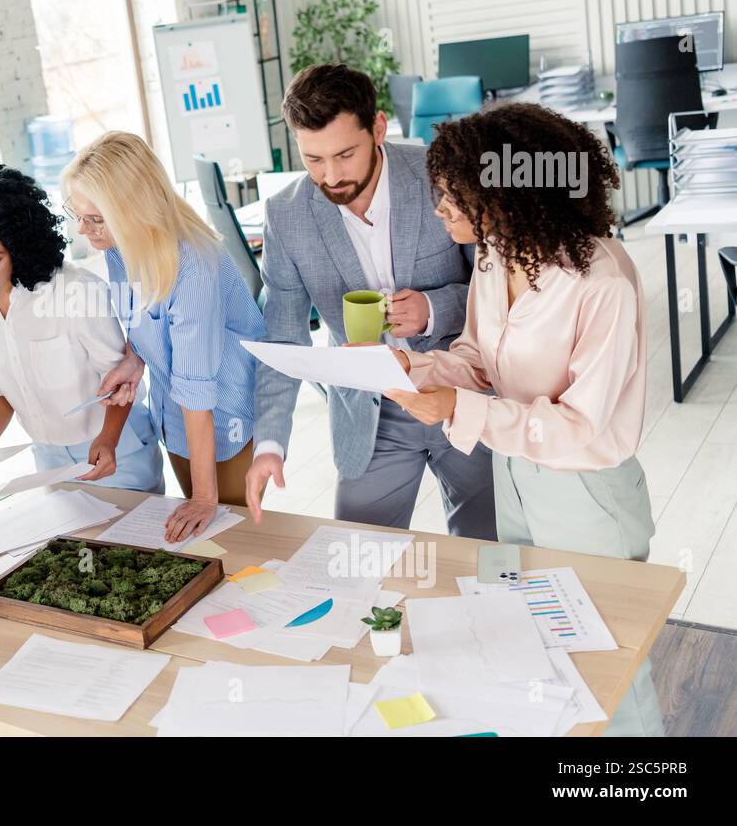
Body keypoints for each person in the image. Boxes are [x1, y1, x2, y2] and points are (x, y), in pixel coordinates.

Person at [384, 102, 663, 736]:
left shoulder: (602, 281)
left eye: (453, 198)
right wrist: (415, 370)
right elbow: (480, 359)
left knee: (612, 667)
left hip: (586, 493)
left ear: (506, 192)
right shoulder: (495, 256)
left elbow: (577, 428)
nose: (439, 210)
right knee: (536, 644)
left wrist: (459, 410)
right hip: (513, 477)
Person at [245, 63, 496, 540]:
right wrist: (270, 444)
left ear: (378, 128)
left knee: (489, 555)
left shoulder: (438, 176)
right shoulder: (287, 215)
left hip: (467, 395)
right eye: (313, 159)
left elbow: (498, 295)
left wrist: (433, 309)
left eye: (344, 154)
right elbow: (283, 336)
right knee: (357, 560)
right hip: (371, 417)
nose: (331, 176)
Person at [61, 131, 265, 542]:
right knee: (201, 538)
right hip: (176, 413)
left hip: (223, 414)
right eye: (76, 214)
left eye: (95, 219)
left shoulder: (194, 265)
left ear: (132, 210)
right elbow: (143, 317)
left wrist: (205, 497)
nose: (83, 229)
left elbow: (197, 389)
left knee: (234, 539)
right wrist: (134, 359)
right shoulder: (118, 247)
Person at [0, 163, 164, 492]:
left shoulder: (74, 290)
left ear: (17, 250)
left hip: (116, 448)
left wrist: (108, 439)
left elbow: (121, 382)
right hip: (48, 458)